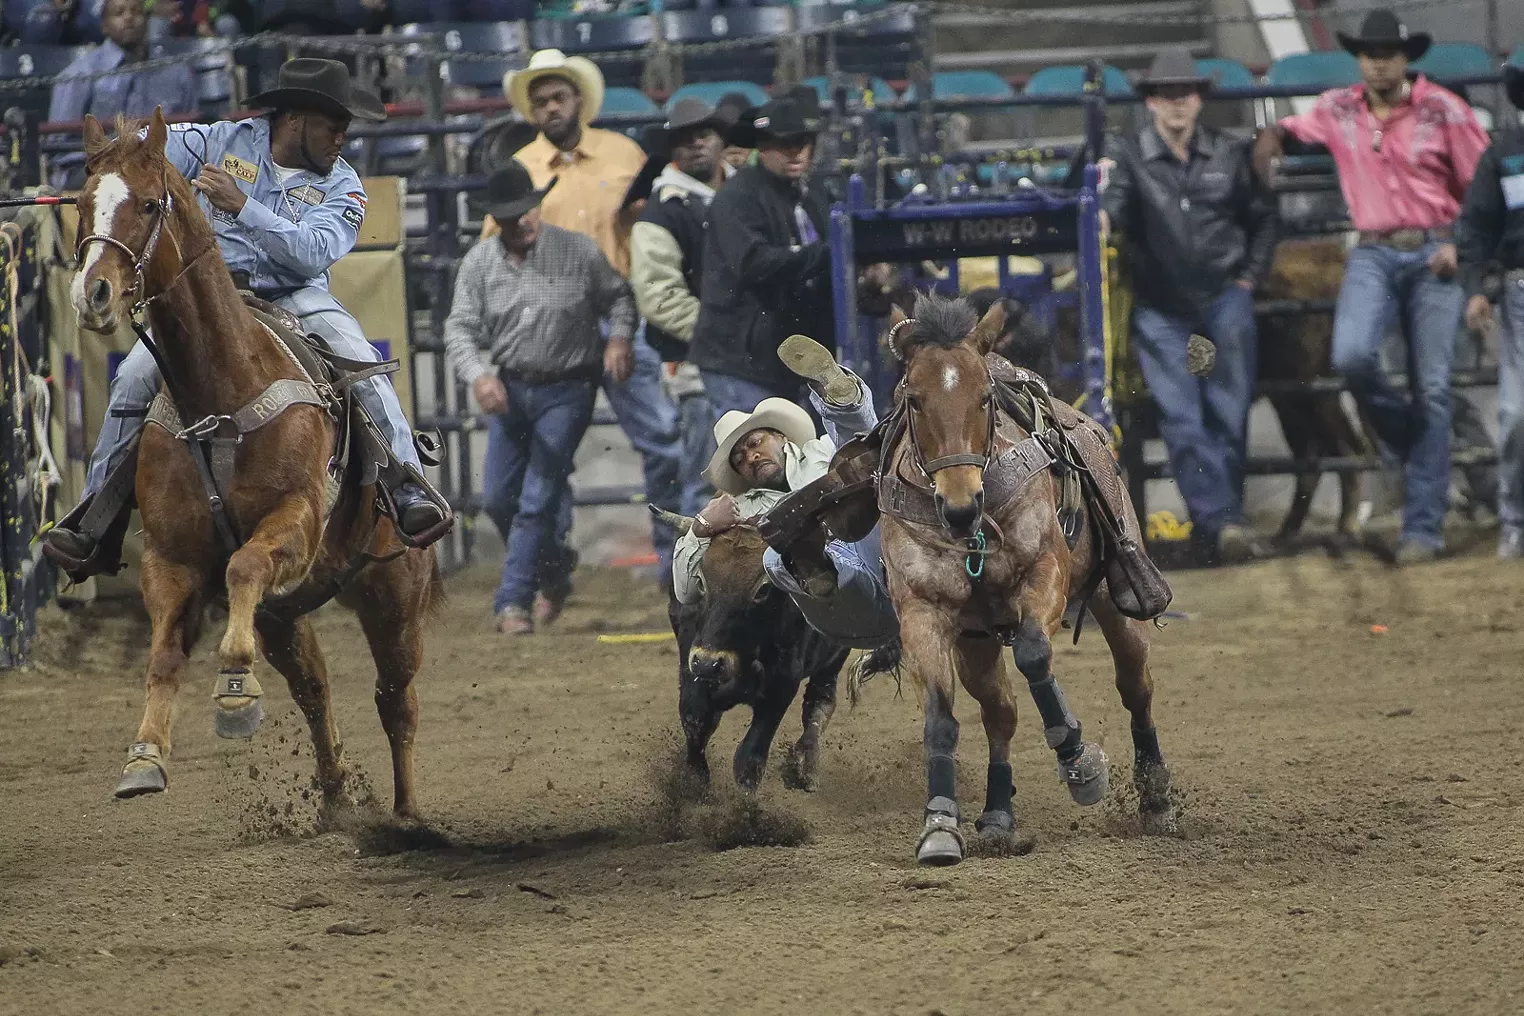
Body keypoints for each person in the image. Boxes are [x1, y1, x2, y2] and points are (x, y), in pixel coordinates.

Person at [43, 58, 447, 576]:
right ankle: (96, 517)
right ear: (295, 119)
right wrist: (114, 168)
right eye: (333, 125)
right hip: (211, 297)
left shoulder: (345, 186)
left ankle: (405, 481)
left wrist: (242, 207)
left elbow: (312, 253)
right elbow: (144, 147)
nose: (342, 138)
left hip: (298, 296)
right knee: (133, 380)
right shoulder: (216, 140)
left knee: (357, 357)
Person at [1254, 10, 1490, 564]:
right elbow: (1291, 129)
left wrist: (1462, 242)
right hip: (1374, 249)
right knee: (1353, 356)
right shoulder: (1338, 109)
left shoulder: (1444, 110)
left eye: (1388, 52)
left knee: (1431, 386)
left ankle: (1423, 529)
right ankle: (1410, 436)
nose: (1379, 61)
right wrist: (1269, 139)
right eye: (1370, 53)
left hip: (1436, 250)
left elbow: (1482, 185)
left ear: (1406, 58)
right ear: (1360, 59)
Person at [499, 48, 685, 585]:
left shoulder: (624, 155)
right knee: (546, 455)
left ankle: (675, 564)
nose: (551, 107)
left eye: (559, 97)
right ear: (532, 112)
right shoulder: (521, 170)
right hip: (549, 326)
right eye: (541, 102)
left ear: (579, 100)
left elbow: (653, 224)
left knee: (663, 442)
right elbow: (499, 248)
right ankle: (553, 562)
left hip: (622, 313)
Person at [1101, 47, 1277, 565]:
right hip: (1168, 312)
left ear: (1198, 99)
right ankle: (1222, 520)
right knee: (1184, 416)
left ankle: (1218, 520)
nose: (1177, 102)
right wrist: (1103, 221)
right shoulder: (1130, 157)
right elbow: (1112, 207)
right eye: (1166, 93)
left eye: (1185, 92)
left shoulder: (1228, 154)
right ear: (1152, 101)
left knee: (1223, 411)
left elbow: (1264, 218)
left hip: (1218, 303)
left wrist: (1248, 279)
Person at [445, 162, 636, 635]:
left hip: (569, 387)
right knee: (498, 498)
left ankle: (512, 602)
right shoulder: (479, 264)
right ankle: (553, 570)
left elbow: (619, 297)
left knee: (534, 496)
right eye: (511, 217)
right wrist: (479, 375)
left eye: (527, 211)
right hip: (512, 385)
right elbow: (459, 328)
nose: (522, 222)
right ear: (498, 221)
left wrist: (619, 339)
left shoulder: (578, 251)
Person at [674, 336, 898, 649]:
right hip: (848, 616)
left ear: (780, 437)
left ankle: (840, 396)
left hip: (889, 564)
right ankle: (812, 561)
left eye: (755, 443)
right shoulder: (737, 511)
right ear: (738, 473)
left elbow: (870, 456)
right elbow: (686, 593)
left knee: (858, 461)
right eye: (739, 459)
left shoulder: (823, 452)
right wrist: (700, 528)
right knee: (775, 556)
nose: (750, 456)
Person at [690, 87, 834, 417]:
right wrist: (831, 253)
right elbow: (756, 263)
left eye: (803, 142)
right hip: (739, 358)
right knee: (749, 456)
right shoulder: (737, 197)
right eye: (785, 144)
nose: (796, 152)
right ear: (764, 147)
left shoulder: (813, 195)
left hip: (784, 359)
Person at [630, 97, 735, 516]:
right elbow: (658, 298)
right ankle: (692, 576)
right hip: (697, 364)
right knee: (705, 477)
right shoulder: (661, 213)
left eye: (704, 135)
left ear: (719, 140)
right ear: (671, 149)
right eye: (684, 138)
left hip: (747, 361)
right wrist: (730, 332)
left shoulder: (742, 193)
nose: (696, 145)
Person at [1457, 65, 1524, 560]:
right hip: (1521, 290)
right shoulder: (1504, 155)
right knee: (1517, 415)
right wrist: (1477, 285)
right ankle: (1516, 520)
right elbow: (1476, 226)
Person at [47, 0, 199, 189]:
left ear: (147, 19)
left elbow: (192, 135)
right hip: (100, 178)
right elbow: (59, 147)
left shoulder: (177, 72)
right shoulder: (79, 75)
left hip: (166, 173)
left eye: (136, 11)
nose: (128, 18)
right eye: (119, 13)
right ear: (104, 26)